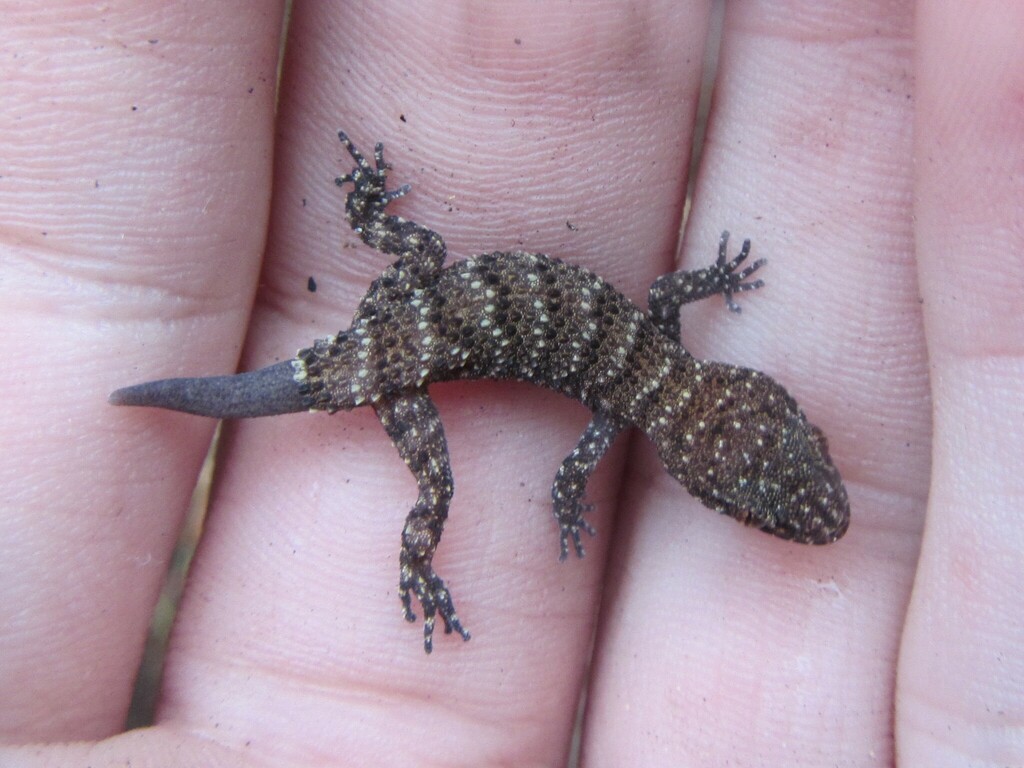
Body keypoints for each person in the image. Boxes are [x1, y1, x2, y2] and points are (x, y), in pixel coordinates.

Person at [1, 3, 1020, 765]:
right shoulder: (620, 409)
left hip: (412, 312)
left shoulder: (657, 337)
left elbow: (670, 290)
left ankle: (366, 219)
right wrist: (571, 497)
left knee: (420, 252)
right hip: (393, 362)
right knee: (432, 492)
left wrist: (718, 280)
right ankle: (413, 566)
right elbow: (577, 463)